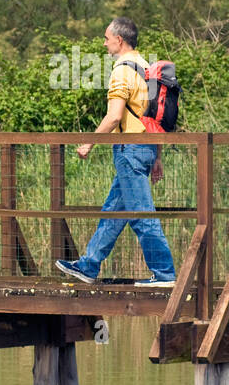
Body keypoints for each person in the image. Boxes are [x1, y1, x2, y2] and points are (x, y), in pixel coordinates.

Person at [54, 17, 177, 288]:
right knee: (114, 210)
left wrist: (88, 143)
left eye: (107, 38)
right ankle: (89, 265)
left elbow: (114, 117)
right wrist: (157, 156)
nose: (105, 42)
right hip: (144, 148)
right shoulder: (147, 67)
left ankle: (165, 273)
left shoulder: (121, 71)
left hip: (129, 150)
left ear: (119, 40)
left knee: (141, 213)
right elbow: (153, 118)